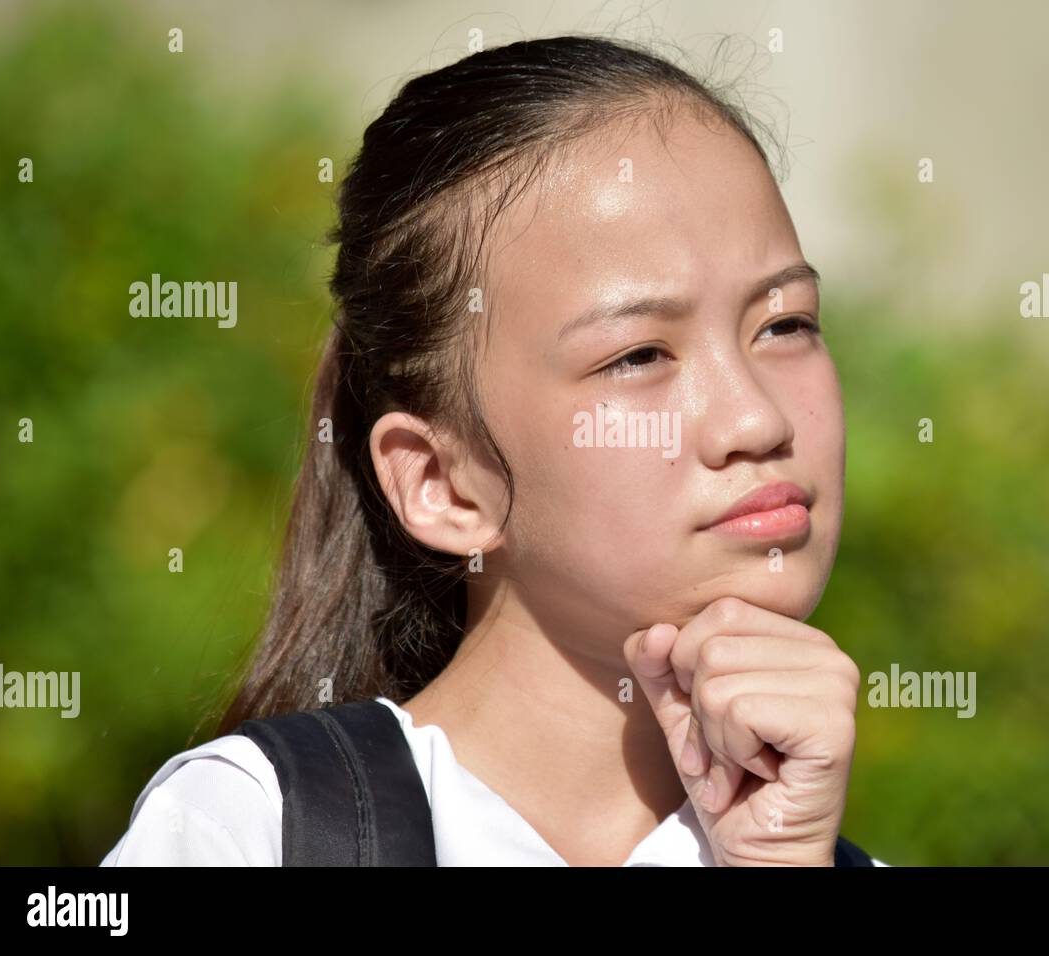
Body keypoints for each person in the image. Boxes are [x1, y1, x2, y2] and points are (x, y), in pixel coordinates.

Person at [102, 33, 884, 867]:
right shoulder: (253, 829)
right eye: (638, 356)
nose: (756, 420)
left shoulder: (801, 854)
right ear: (442, 483)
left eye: (785, 324)